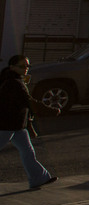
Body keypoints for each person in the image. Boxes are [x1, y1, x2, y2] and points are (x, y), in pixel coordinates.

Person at [0, 55, 58, 190]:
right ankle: (39, 178)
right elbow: (29, 102)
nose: (26, 68)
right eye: (22, 66)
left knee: (28, 152)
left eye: (27, 66)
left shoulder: (13, 80)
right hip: (7, 125)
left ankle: (39, 178)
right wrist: (51, 110)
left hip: (17, 126)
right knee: (27, 152)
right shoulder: (13, 83)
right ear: (12, 67)